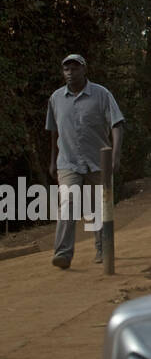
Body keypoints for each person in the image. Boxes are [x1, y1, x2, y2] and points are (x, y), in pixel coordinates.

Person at [45, 54, 124, 269]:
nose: (70, 72)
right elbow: (54, 132)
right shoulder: (56, 98)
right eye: (66, 69)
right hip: (67, 162)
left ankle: (102, 249)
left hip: (98, 161)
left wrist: (115, 156)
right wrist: (53, 161)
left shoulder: (101, 94)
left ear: (84, 70)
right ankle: (62, 253)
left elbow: (117, 125)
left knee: (96, 208)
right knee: (68, 205)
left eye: (75, 68)